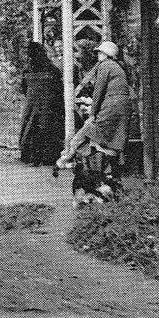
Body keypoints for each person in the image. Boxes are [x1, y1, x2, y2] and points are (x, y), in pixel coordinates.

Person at [57, 40, 131, 200]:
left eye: (100, 52)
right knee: (111, 139)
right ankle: (110, 176)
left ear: (106, 54)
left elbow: (99, 91)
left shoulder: (105, 66)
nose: (98, 55)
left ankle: (68, 155)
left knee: (91, 129)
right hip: (122, 107)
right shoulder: (118, 67)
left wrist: (93, 112)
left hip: (112, 106)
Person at [18, 43, 65, 170]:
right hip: (48, 104)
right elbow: (59, 88)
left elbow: (23, 87)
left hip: (32, 104)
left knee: (31, 128)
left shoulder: (28, 69)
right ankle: (46, 157)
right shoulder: (52, 69)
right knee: (45, 128)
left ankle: (33, 157)